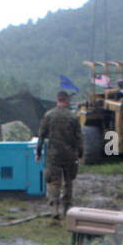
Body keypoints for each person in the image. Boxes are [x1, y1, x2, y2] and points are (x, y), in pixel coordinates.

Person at [36, 90, 83, 220]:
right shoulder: (73, 117)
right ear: (67, 101)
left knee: (53, 182)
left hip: (53, 155)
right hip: (70, 155)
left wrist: (38, 152)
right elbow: (79, 138)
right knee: (68, 182)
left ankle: (55, 209)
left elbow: (41, 136)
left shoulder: (49, 115)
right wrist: (80, 154)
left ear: (57, 100)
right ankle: (67, 209)